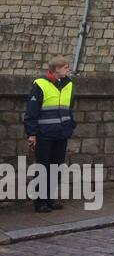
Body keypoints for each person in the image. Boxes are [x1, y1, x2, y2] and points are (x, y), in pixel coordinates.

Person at [24, 55, 75, 213]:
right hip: (44, 134)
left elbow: (69, 107)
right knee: (43, 168)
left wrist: (70, 125)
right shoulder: (40, 85)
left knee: (56, 168)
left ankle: (50, 199)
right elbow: (31, 112)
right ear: (57, 69)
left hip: (61, 133)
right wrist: (31, 134)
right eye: (66, 67)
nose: (68, 69)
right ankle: (40, 202)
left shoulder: (68, 84)